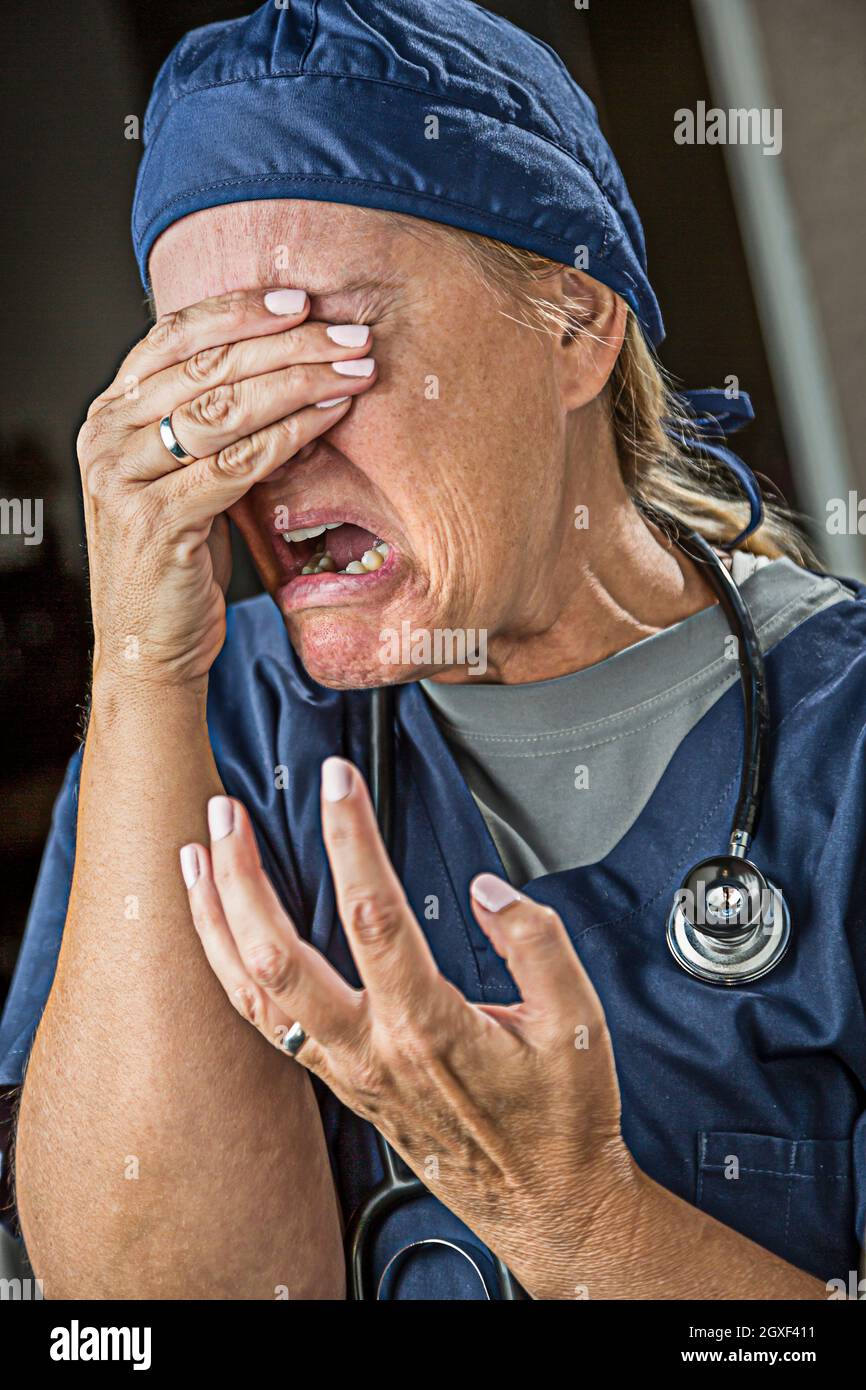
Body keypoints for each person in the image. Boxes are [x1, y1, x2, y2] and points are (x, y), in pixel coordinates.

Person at [2, 0, 864, 1300]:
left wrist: (577, 1220)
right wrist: (134, 669)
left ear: (574, 323)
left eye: (320, 350)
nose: (254, 447)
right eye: (205, 379)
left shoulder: (837, 744)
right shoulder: (210, 716)